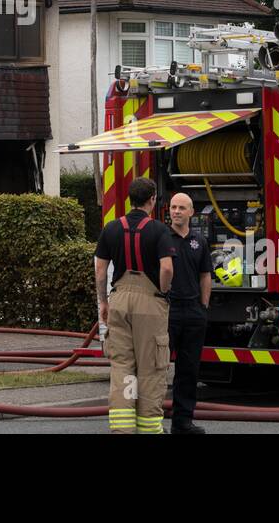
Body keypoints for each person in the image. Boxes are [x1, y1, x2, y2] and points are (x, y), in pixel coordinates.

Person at [94, 177, 176, 434]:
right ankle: (150, 429)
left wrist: (104, 301)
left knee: (122, 368)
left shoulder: (111, 228)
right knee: (150, 368)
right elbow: (166, 267)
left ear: (130, 199)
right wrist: (163, 290)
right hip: (149, 303)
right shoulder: (159, 230)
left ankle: (123, 429)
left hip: (118, 301)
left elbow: (100, 270)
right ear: (152, 199)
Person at [165, 192, 213, 435]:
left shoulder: (199, 241)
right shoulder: (162, 238)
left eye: (182, 208)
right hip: (168, 312)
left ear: (191, 212)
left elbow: (205, 275)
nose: (176, 211)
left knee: (189, 370)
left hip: (193, 313)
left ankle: (182, 422)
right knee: (157, 368)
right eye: (173, 207)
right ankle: (150, 422)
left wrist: (203, 307)